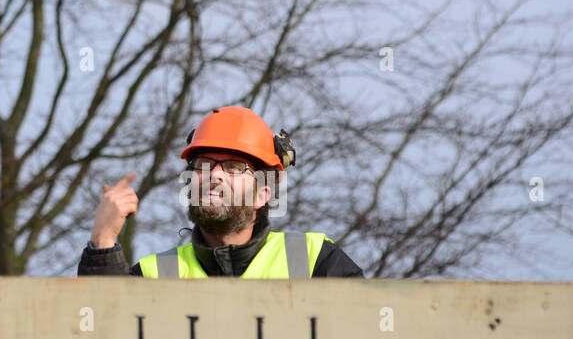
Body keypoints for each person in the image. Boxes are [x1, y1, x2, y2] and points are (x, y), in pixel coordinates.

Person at [77, 105, 363, 278]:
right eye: (203, 164)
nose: (214, 175)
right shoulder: (155, 276)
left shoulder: (316, 261)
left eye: (234, 166)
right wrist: (102, 241)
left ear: (263, 193)